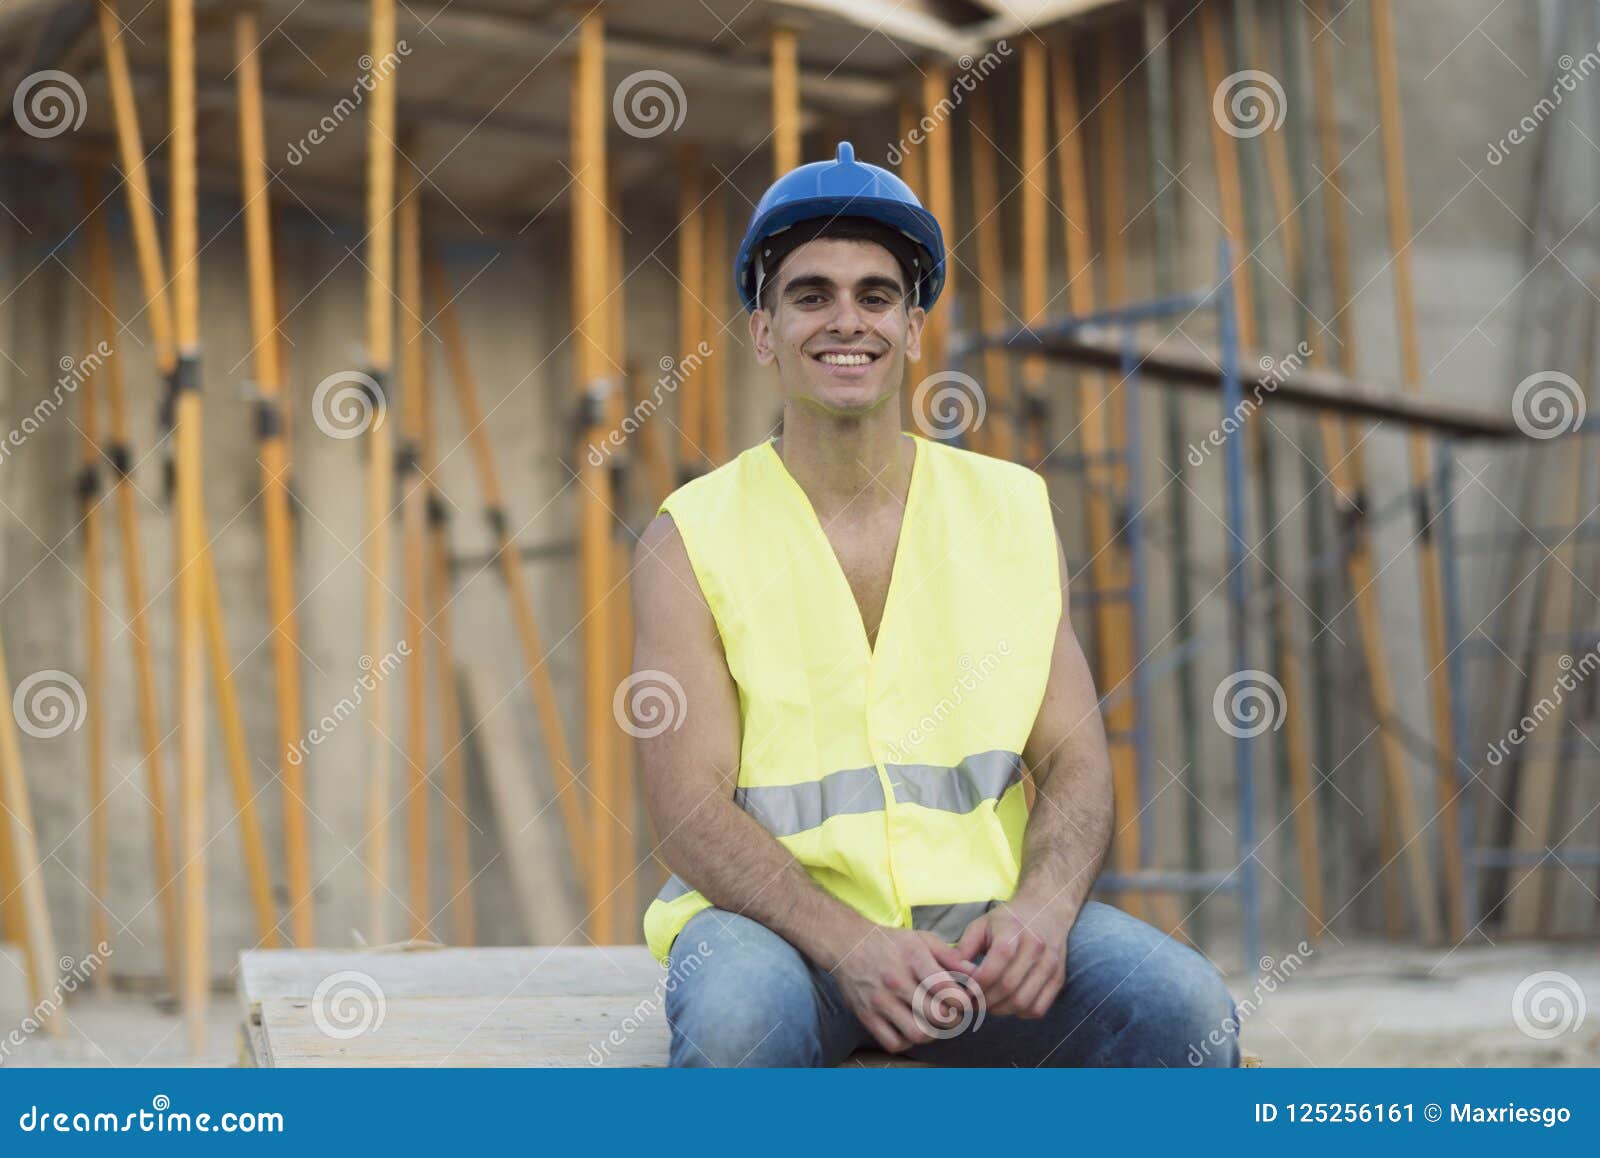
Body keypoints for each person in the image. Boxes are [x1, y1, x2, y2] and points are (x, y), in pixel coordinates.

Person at [631, 142, 1238, 1067]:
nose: (847, 320)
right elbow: (686, 807)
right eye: (811, 295)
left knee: (1183, 1008)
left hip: (981, 930)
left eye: (876, 296)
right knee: (737, 1024)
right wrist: (852, 946)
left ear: (914, 329)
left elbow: (1075, 758)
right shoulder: (692, 536)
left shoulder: (1009, 510)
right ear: (762, 331)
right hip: (776, 933)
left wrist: (1043, 910)